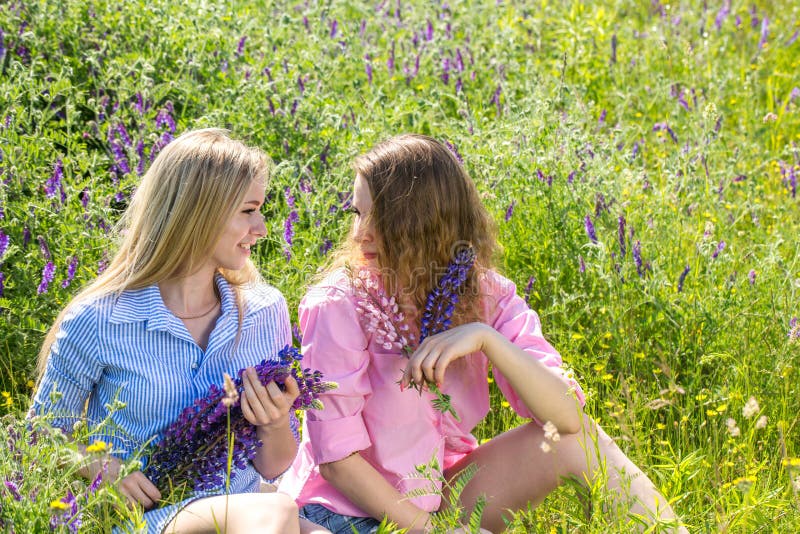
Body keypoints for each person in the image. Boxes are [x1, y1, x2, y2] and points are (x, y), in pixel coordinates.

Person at [279, 134, 686, 533]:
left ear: (425, 223)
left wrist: (486, 339)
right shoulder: (338, 302)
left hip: (437, 494)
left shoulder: (487, 293)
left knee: (576, 442)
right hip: (345, 512)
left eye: (379, 218)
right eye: (356, 214)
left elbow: (567, 418)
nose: (359, 234)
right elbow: (337, 461)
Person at [31, 129, 327, 534]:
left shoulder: (266, 310)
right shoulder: (100, 319)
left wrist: (274, 423)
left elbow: (273, 466)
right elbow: (39, 437)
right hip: (149, 519)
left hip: (247, 517)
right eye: (247, 211)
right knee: (276, 512)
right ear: (198, 212)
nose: (261, 228)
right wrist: (100, 466)